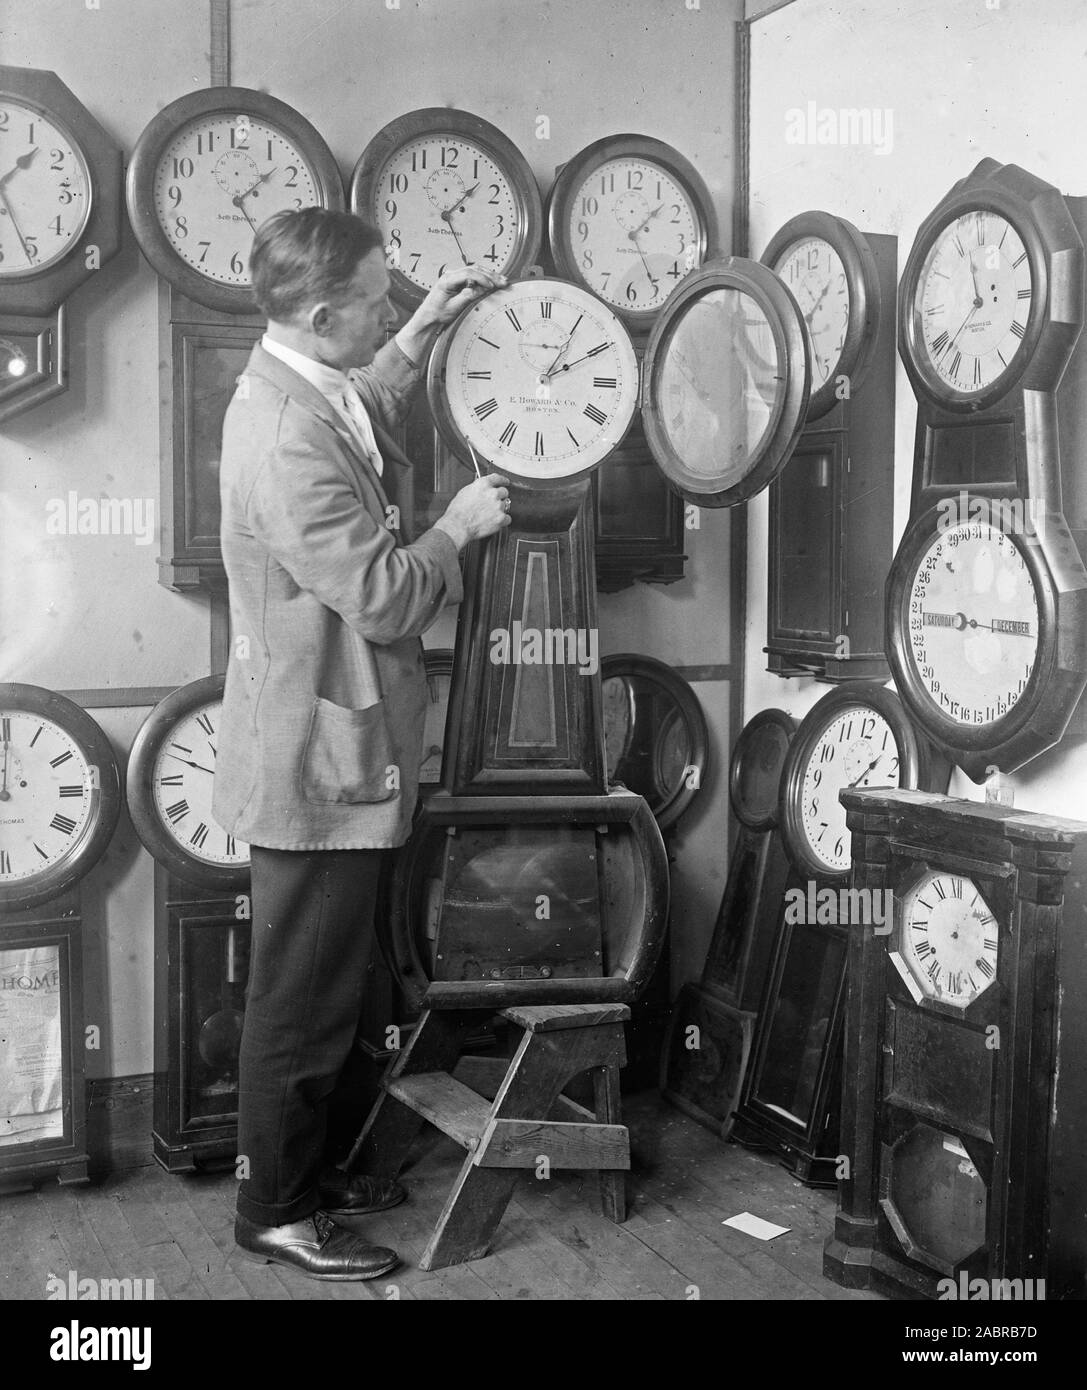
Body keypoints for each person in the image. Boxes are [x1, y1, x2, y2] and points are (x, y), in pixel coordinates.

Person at [213, 208, 511, 1281]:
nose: (394, 304)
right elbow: (387, 600)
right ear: (323, 310)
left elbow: (360, 402)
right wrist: (456, 527)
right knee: (300, 1003)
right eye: (383, 297)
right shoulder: (283, 441)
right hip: (316, 769)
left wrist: (419, 334)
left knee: (337, 988)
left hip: (336, 753)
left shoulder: (303, 381)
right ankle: (276, 1210)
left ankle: (317, 1172)